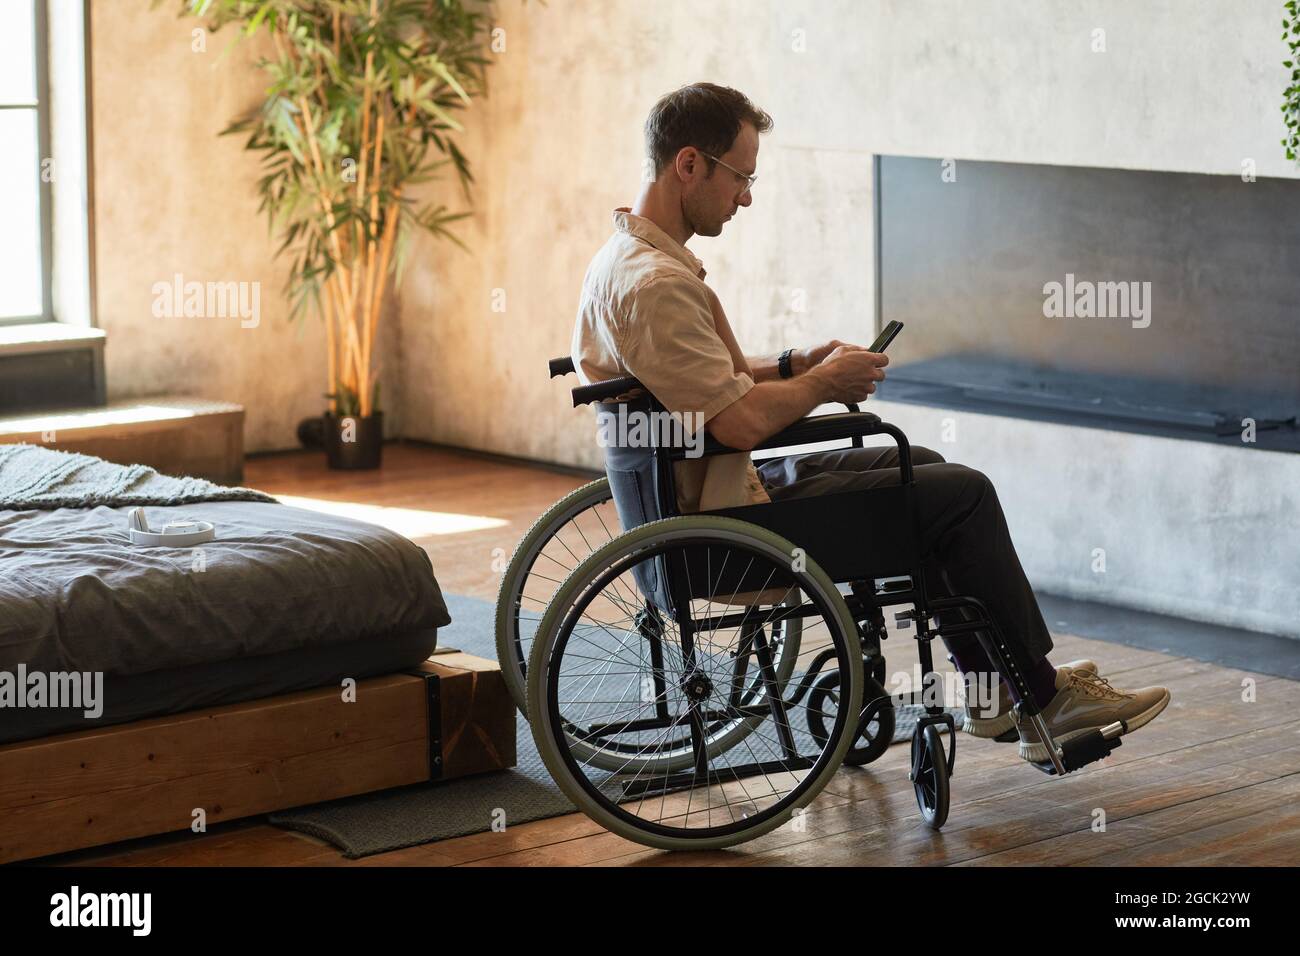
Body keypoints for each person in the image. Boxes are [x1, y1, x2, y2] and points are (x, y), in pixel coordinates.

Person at [571, 82, 1170, 763]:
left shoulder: (622, 261)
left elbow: (707, 382)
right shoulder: (659, 286)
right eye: (740, 176)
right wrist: (825, 384)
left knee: (929, 473)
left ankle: (997, 696)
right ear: (689, 164)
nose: (745, 196)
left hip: (703, 496)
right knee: (961, 495)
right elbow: (737, 423)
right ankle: (1038, 698)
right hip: (726, 524)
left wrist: (800, 360)